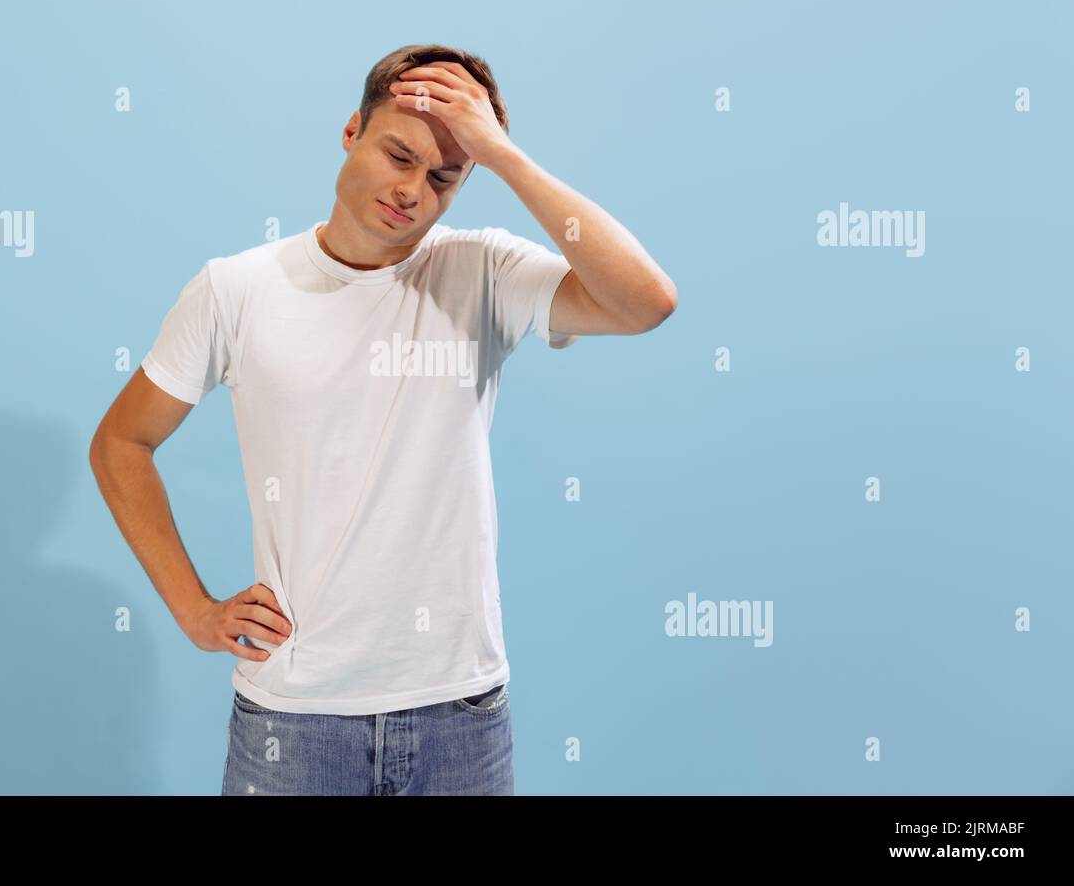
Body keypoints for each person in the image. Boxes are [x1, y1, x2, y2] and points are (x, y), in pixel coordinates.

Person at [89, 43, 678, 795]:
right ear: (350, 131)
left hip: (459, 714)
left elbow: (647, 300)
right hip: (294, 720)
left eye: (444, 176)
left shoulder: (482, 272)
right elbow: (121, 443)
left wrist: (502, 153)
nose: (412, 191)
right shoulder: (236, 289)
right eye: (398, 154)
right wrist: (195, 609)